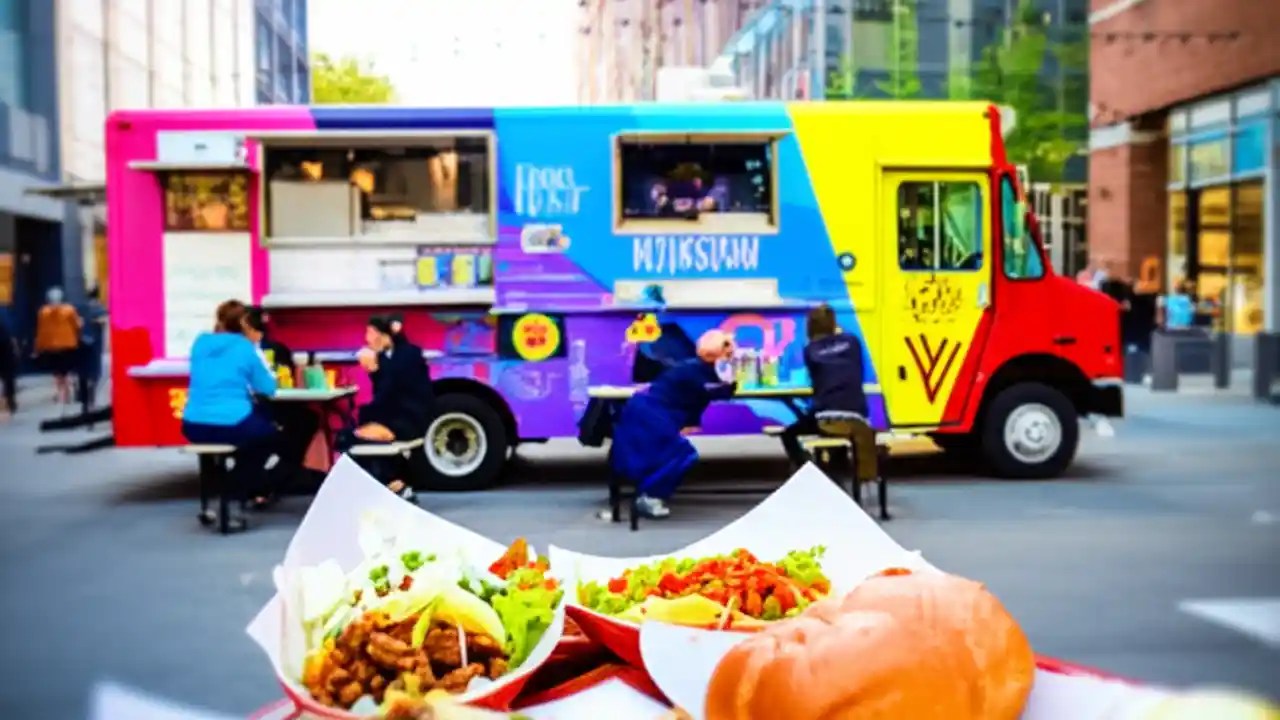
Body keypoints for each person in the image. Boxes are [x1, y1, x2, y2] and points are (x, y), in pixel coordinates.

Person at [610, 329, 737, 519]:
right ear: (717, 354)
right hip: (652, 415)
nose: (731, 357)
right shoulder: (696, 373)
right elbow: (713, 392)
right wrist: (734, 383)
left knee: (667, 454)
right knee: (682, 454)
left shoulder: (695, 368)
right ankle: (650, 495)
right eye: (729, 353)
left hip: (648, 412)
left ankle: (648, 493)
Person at [181, 300, 279, 526]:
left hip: (193, 423)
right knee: (267, 436)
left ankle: (215, 497)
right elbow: (267, 388)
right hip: (232, 421)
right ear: (243, 322)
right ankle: (232, 494)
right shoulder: (244, 348)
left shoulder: (200, 343)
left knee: (241, 440)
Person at [339, 315, 434, 501]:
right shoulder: (385, 357)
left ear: (384, 335)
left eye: (370, 333)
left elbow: (390, 392)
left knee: (349, 437)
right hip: (392, 416)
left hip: (408, 419)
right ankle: (393, 482)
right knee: (352, 434)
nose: (367, 339)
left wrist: (375, 371)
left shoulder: (408, 355)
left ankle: (390, 482)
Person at [780, 305, 876, 481]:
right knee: (838, 430)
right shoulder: (853, 342)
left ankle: (807, 470)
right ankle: (838, 475)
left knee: (788, 434)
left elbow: (817, 381)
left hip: (826, 417)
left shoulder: (811, 349)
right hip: (857, 417)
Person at [243, 306, 318, 488]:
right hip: (244, 406)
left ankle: (279, 475)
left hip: (274, 405)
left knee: (307, 420)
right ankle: (263, 481)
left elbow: (285, 381)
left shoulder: (277, 350)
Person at [34, 287, 82, 405]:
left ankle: (60, 393)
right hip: (68, 344)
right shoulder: (69, 310)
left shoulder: (43, 312)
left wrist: (38, 347)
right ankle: (68, 391)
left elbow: (41, 331)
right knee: (67, 369)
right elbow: (77, 326)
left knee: (57, 371)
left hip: (51, 346)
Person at [76, 287, 108, 414]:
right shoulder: (100, 309)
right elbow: (104, 322)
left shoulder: (80, 308)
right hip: (95, 346)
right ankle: (91, 400)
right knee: (94, 374)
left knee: (83, 374)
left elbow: (77, 323)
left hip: (81, 344)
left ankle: (84, 403)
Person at [0, 313, 16, 416]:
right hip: (6, 352)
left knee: (8, 377)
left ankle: (9, 401)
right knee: (8, 377)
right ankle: (10, 401)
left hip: (5, 352)